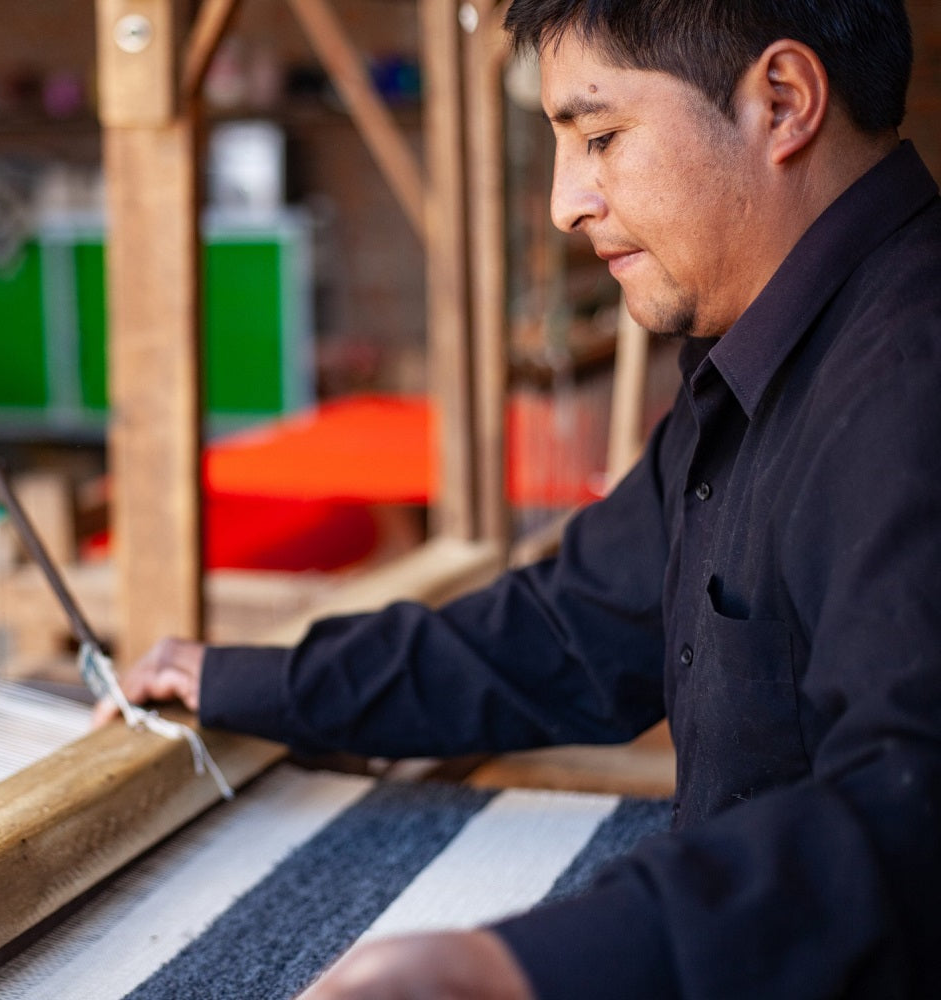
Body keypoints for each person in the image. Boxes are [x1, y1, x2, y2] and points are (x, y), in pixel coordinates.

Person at [97, 0, 941, 996]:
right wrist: (255, 682)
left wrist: (515, 965)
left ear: (782, 101)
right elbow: (569, 626)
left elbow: (908, 820)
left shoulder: (908, 385)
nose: (564, 201)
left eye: (599, 136)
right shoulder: (763, 368)